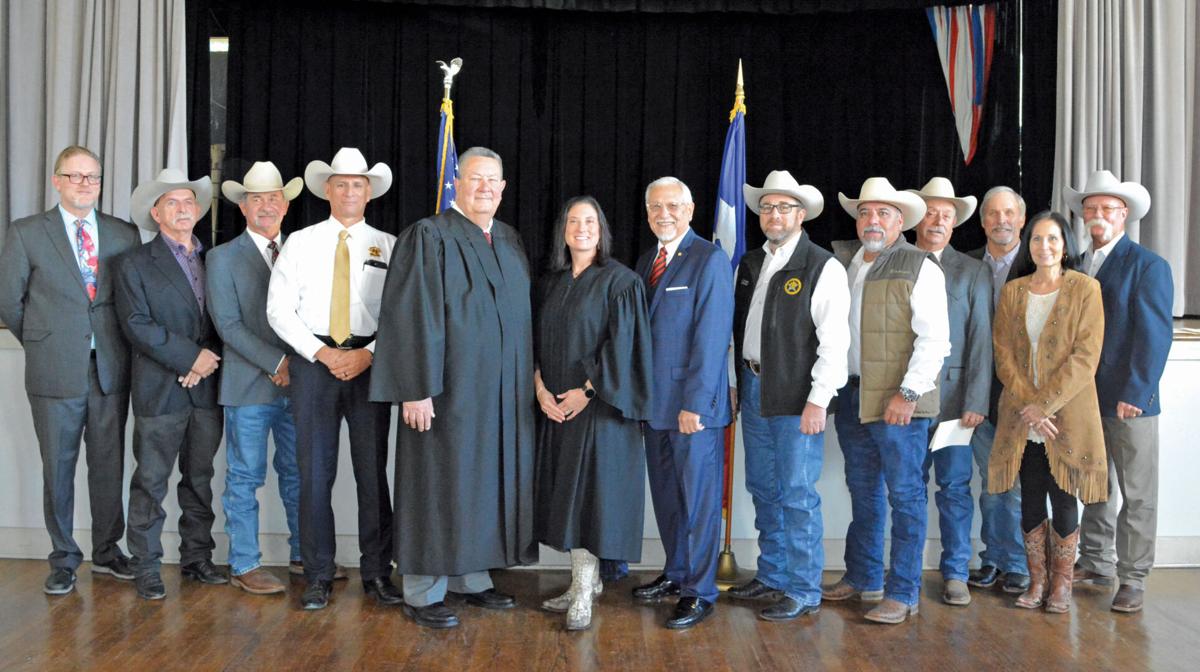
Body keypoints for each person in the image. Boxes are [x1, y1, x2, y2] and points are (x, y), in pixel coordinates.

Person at [370, 147, 537, 630]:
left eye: (493, 180)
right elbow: (409, 316)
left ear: (503, 188)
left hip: (500, 397)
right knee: (436, 484)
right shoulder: (429, 235)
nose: (485, 187)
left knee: (480, 485)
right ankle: (423, 591)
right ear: (456, 183)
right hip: (445, 394)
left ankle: (470, 578)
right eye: (475, 179)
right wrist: (414, 388)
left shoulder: (508, 239)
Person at [0, 145, 140, 595]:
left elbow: (130, 303)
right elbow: (9, 301)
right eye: (75, 176)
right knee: (57, 467)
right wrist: (46, 343)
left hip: (109, 369)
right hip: (54, 370)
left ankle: (107, 551)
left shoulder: (124, 234)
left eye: (93, 177)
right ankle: (62, 557)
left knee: (107, 465)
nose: (85, 184)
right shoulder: (26, 233)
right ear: (56, 180)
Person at [266, 148, 397, 610]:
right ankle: (318, 573)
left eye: (357, 184)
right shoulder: (299, 243)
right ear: (327, 190)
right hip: (312, 363)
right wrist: (321, 352)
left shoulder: (390, 244)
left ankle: (379, 573)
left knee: (372, 474)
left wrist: (368, 354)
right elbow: (278, 310)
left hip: (369, 366)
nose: (348, 191)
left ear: (369, 192)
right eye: (340, 183)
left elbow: (400, 315)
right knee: (314, 474)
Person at [822, 177, 950, 624]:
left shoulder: (920, 266)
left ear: (900, 221)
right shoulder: (845, 264)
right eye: (864, 212)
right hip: (854, 396)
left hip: (899, 403)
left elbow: (936, 341)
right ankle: (863, 576)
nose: (872, 221)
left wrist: (908, 393)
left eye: (882, 213)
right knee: (864, 493)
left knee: (906, 496)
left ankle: (903, 592)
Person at [726, 171, 849, 621]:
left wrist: (818, 400)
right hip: (754, 386)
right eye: (767, 207)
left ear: (801, 215)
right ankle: (773, 575)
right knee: (762, 486)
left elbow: (835, 342)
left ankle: (803, 588)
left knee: (797, 493)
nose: (774, 215)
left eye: (784, 208)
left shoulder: (822, 265)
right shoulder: (751, 263)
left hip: (797, 397)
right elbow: (738, 331)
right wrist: (737, 382)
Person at [533, 196, 653, 630]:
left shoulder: (620, 282)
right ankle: (580, 582)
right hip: (556, 410)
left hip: (599, 412)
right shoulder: (552, 282)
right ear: (562, 230)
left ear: (601, 230)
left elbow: (626, 348)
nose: (581, 228)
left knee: (590, 500)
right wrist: (541, 388)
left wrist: (587, 391)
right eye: (573, 221)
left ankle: (586, 589)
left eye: (590, 221)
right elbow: (534, 342)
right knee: (566, 499)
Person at [115, 168, 226, 600]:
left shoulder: (211, 258)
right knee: (152, 481)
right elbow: (136, 325)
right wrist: (189, 357)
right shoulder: (133, 263)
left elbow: (223, 318)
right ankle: (145, 564)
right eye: (172, 203)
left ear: (197, 210)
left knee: (199, 478)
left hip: (206, 388)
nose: (183, 209)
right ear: (156, 213)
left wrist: (204, 361)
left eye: (188, 202)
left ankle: (197, 557)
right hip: (159, 388)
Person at [988, 210, 1107, 614]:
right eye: (1037, 239)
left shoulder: (1086, 289)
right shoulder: (1014, 291)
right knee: (1030, 497)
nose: (1044, 247)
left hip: (1066, 417)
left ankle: (1062, 585)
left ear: (1065, 244)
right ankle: (1037, 581)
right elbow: (1003, 356)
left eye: (1052, 238)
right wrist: (1029, 406)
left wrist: (1046, 406)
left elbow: (1085, 358)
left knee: (1064, 496)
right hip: (1024, 418)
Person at [1068, 170, 1174, 613]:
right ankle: (1095, 561)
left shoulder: (1148, 265)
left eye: (1107, 209)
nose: (1097, 216)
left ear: (1124, 215)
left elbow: (1155, 335)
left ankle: (1132, 577)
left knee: (1137, 493)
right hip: (1084, 399)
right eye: (1090, 209)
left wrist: (1137, 391)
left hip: (1130, 400)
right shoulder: (1076, 262)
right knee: (1094, 485)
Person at [632, 176, 733, 630]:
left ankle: (700, 591)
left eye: (673, 205)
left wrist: (694, 404)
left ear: (690, 210)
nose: (664, 214)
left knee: (699, 503)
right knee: (670, 500)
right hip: (655, 408)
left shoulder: (708, 259)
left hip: (693, 411)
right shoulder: (646, 261)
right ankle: (676, 575)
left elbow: (711, 340)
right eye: (656, 207)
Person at [206, 162, 304, 595]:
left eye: (273, 198)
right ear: (243, 208)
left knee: (300, 472)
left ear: (285, 205)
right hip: (248, 386)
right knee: (245, 476)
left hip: (301, 384)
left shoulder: (302, 250)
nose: (266, 206)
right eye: (257, 199)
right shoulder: (221, 258)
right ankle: (244, 562)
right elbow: (227, 326)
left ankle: (306, 555)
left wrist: (298, 366)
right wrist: (277, 363)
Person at [908, 177, 992, 606]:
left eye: (947, 215)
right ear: (916, 216)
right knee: (907, 488)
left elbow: (981, 340)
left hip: (957, 403)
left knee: (956, 488)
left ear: (956, 223)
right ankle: (905, 573)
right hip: (906, 400)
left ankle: (956, 571)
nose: (938, 221)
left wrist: (977, 401)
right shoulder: (894, 261)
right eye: (931, 212)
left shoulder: (973, 271)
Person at [964, 186, 1032, 594]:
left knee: (1021, 486)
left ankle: (1020, 562)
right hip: (980, 396)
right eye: (993, 213)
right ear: (983, 220)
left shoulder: (1040, 262)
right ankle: (993, 558)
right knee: (992, 485)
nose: (1001, 220)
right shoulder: (969, 263)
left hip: (1025, 398)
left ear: (1021, 219)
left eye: (1009, 213)